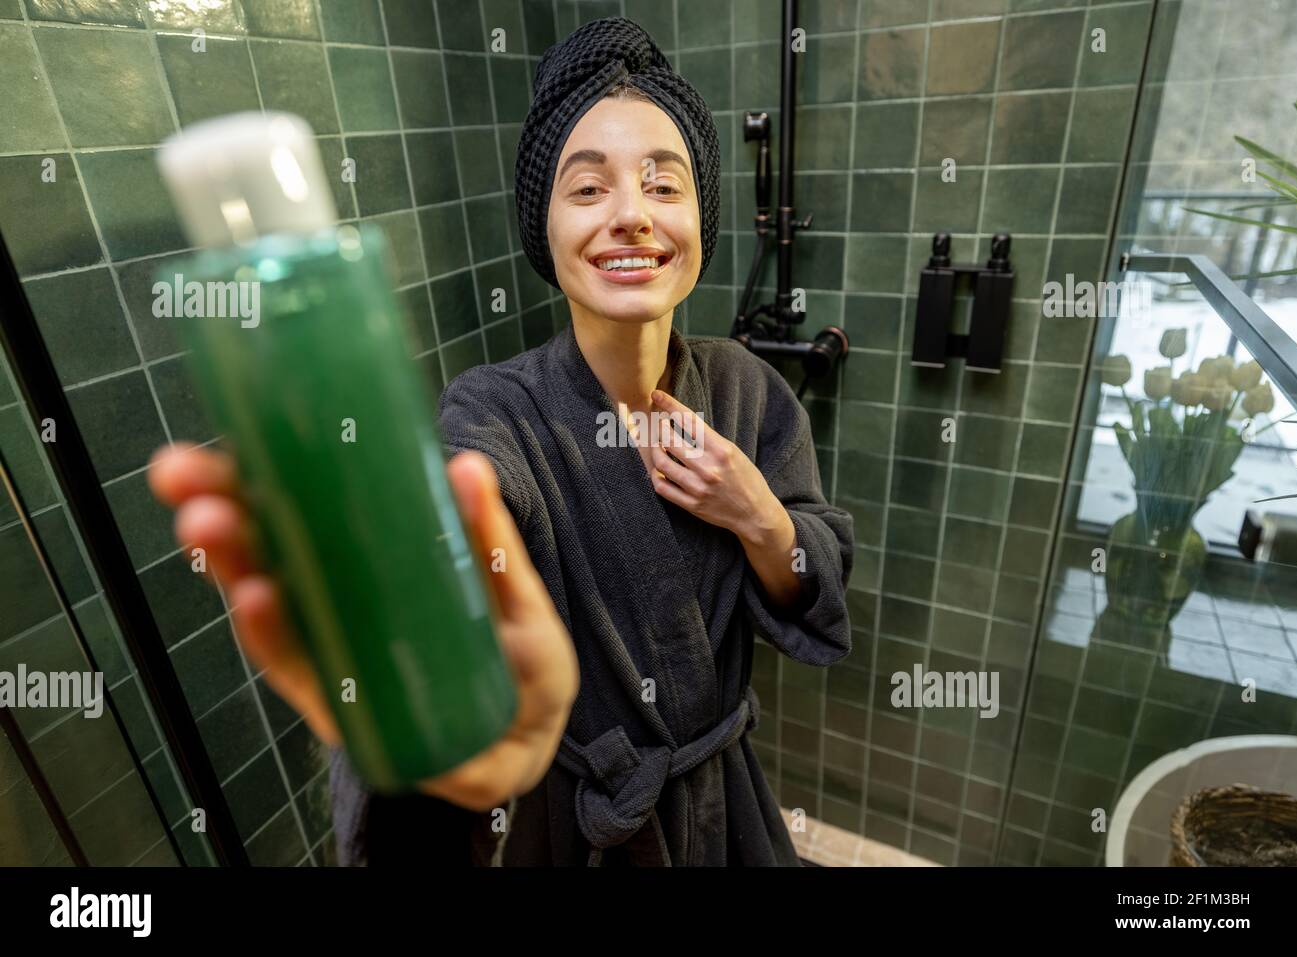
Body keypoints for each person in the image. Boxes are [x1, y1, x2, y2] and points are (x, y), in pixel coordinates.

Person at [150, 16, 853, 867]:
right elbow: (452, 549)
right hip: (582, 831)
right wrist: (432, 712)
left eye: (665, 186)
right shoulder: (492, 415)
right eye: (588, 189)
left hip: (727, 811)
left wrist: (759, 516)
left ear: (701, 216)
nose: (631, 215)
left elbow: (813, 578)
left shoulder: (749, 389)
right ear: (544, 229)